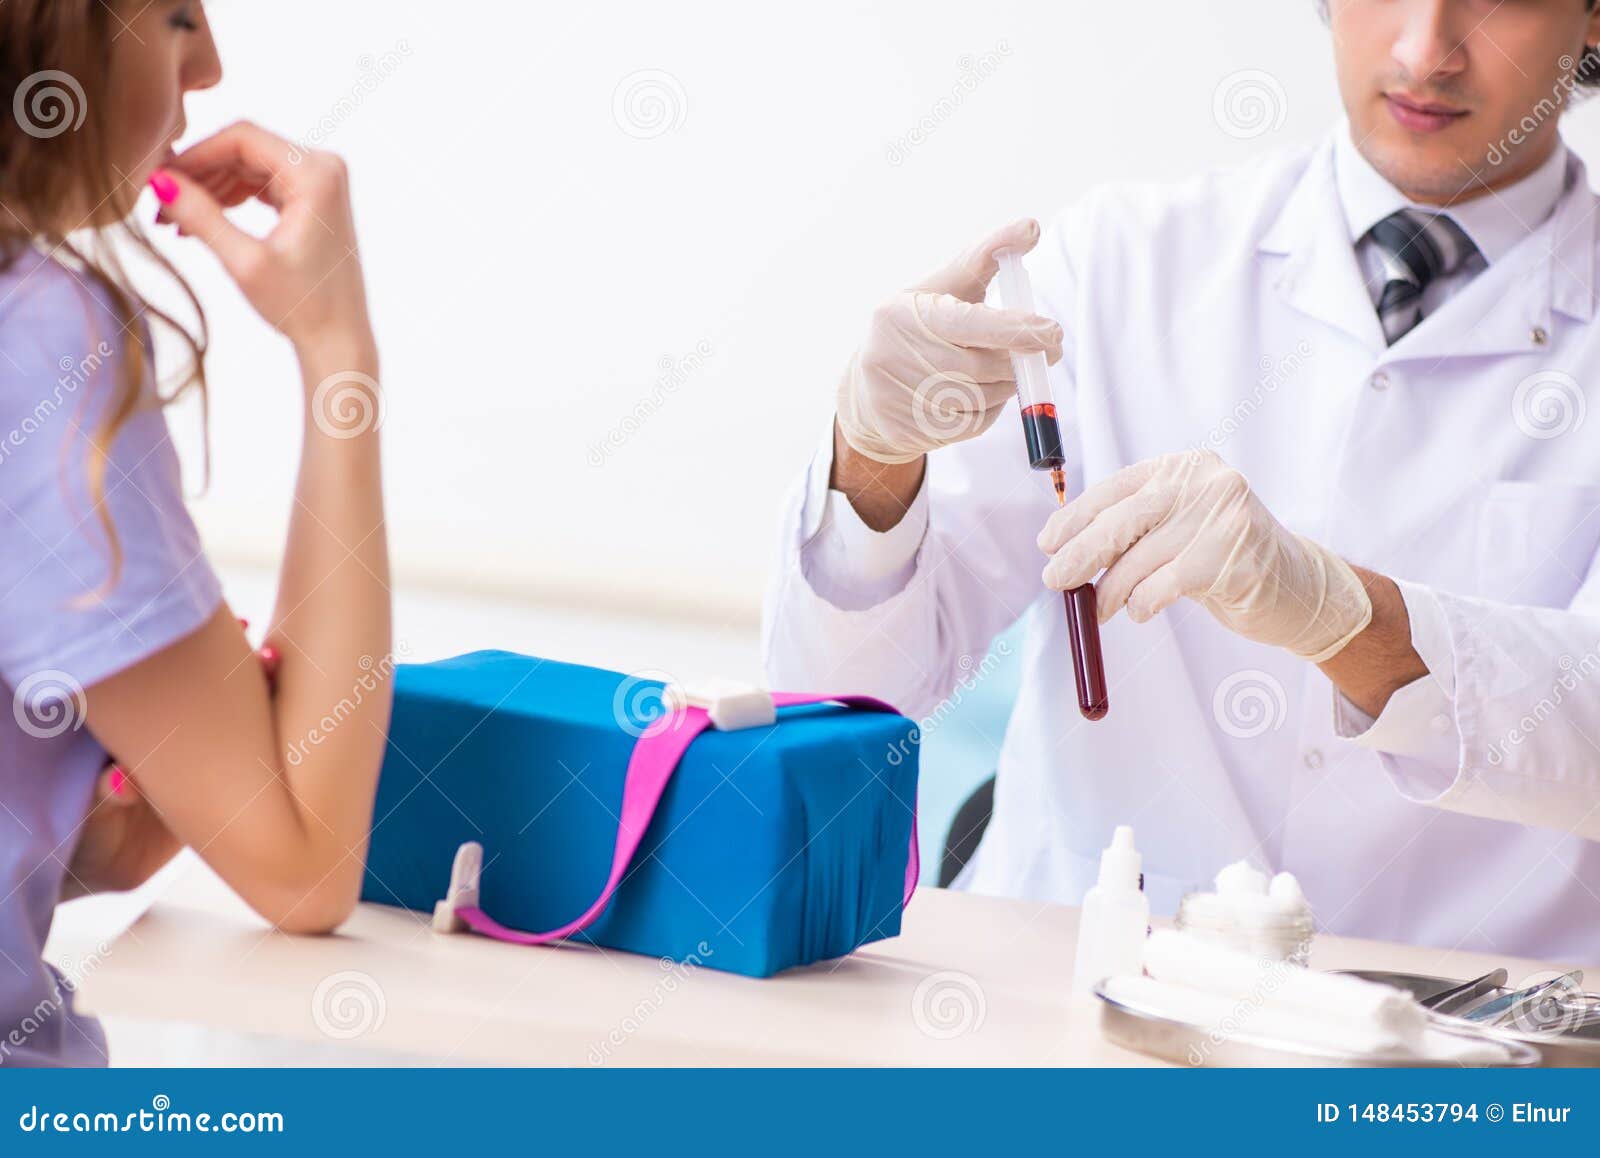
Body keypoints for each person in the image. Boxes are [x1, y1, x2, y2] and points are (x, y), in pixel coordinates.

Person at [765, 0, 1600, 961]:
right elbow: (843, 696)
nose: (1426, 51)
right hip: (1062, 1010)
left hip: (1449, 1055)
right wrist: (875, 458)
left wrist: (1346, 618)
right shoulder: (1120, 264)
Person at [0, 0, 391, 1066]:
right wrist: (336, 349)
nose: (208, 68)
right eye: (175, 16)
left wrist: (59, 851)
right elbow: (303, 867)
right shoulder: (42, 339)